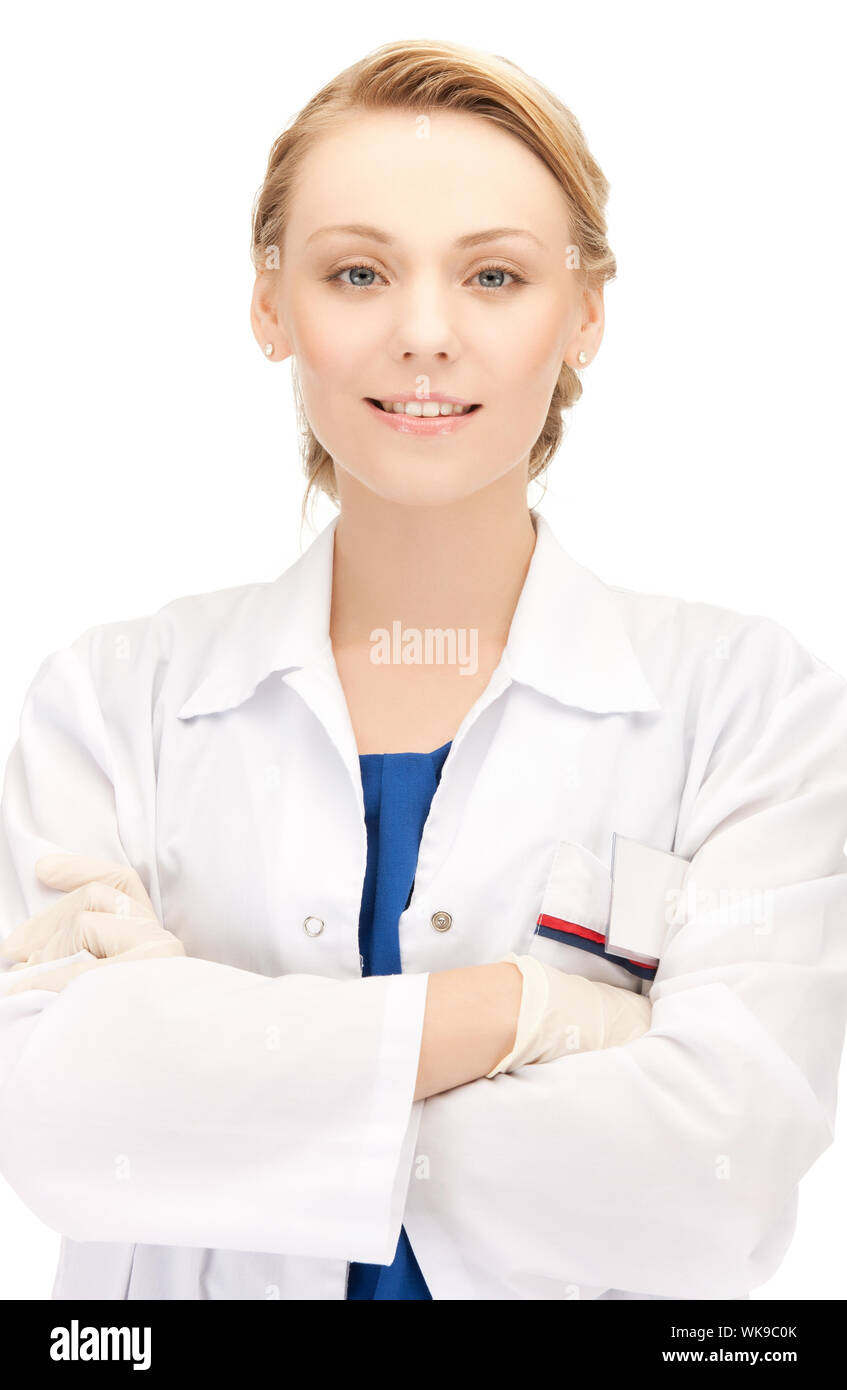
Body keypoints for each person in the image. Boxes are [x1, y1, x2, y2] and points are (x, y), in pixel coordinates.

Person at [1, 37, 845, 1302]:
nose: (425, 335)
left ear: (586, 314)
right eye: (357, 272)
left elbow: (713, 1176)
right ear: (270, 304)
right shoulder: (109, 704)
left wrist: (206, 1056)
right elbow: (59, 1134)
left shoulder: (749, 706)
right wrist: (525, 1013)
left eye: (495, 275)